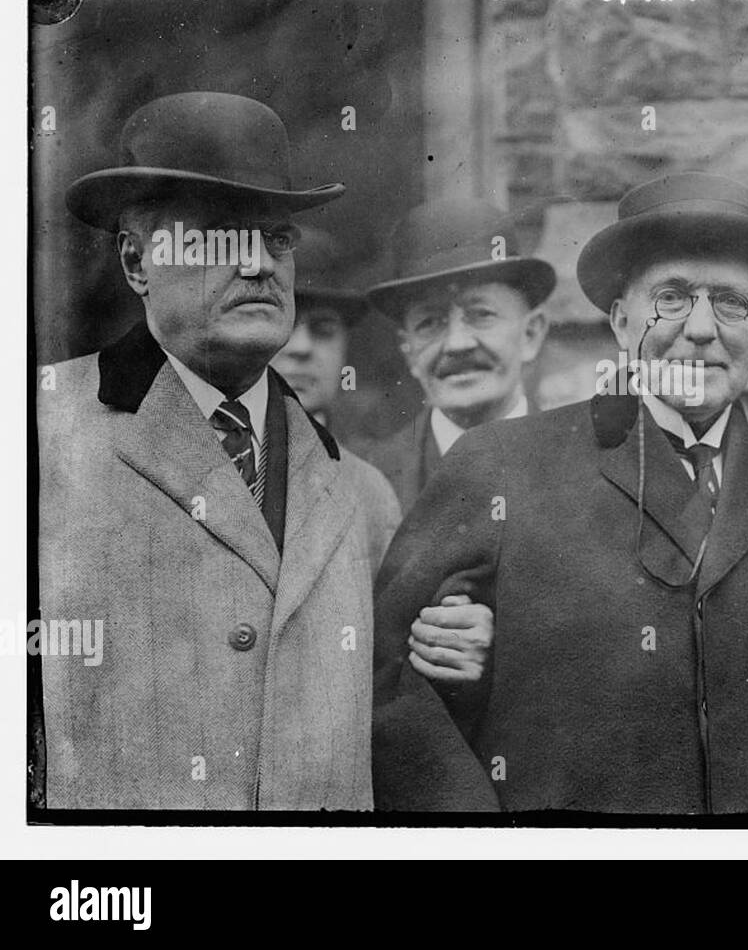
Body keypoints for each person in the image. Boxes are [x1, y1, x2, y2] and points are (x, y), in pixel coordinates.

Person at [36, 91, 485, 810]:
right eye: (219, 236)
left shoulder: (361, 492)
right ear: (136, 260)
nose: (259, 265)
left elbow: (399, 726)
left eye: (276, 239)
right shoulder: (39, 431)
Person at [372, 172, 748, 813]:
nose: (701, 328)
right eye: (670, 298)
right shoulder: (501, 466)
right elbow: (389, 685)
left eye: (731, 302)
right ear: (621, 323)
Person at [362, 199, 555, 513]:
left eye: (481, 314)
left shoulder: (591, 467)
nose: (457, 344)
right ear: (408, 349)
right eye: (430, 323)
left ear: (531, 334)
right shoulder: (368, 482)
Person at [270, 224, 370, 445]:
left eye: (324, 330)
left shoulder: (374, 471)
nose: (301, 347)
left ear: (345, 348)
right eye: (280, 324)